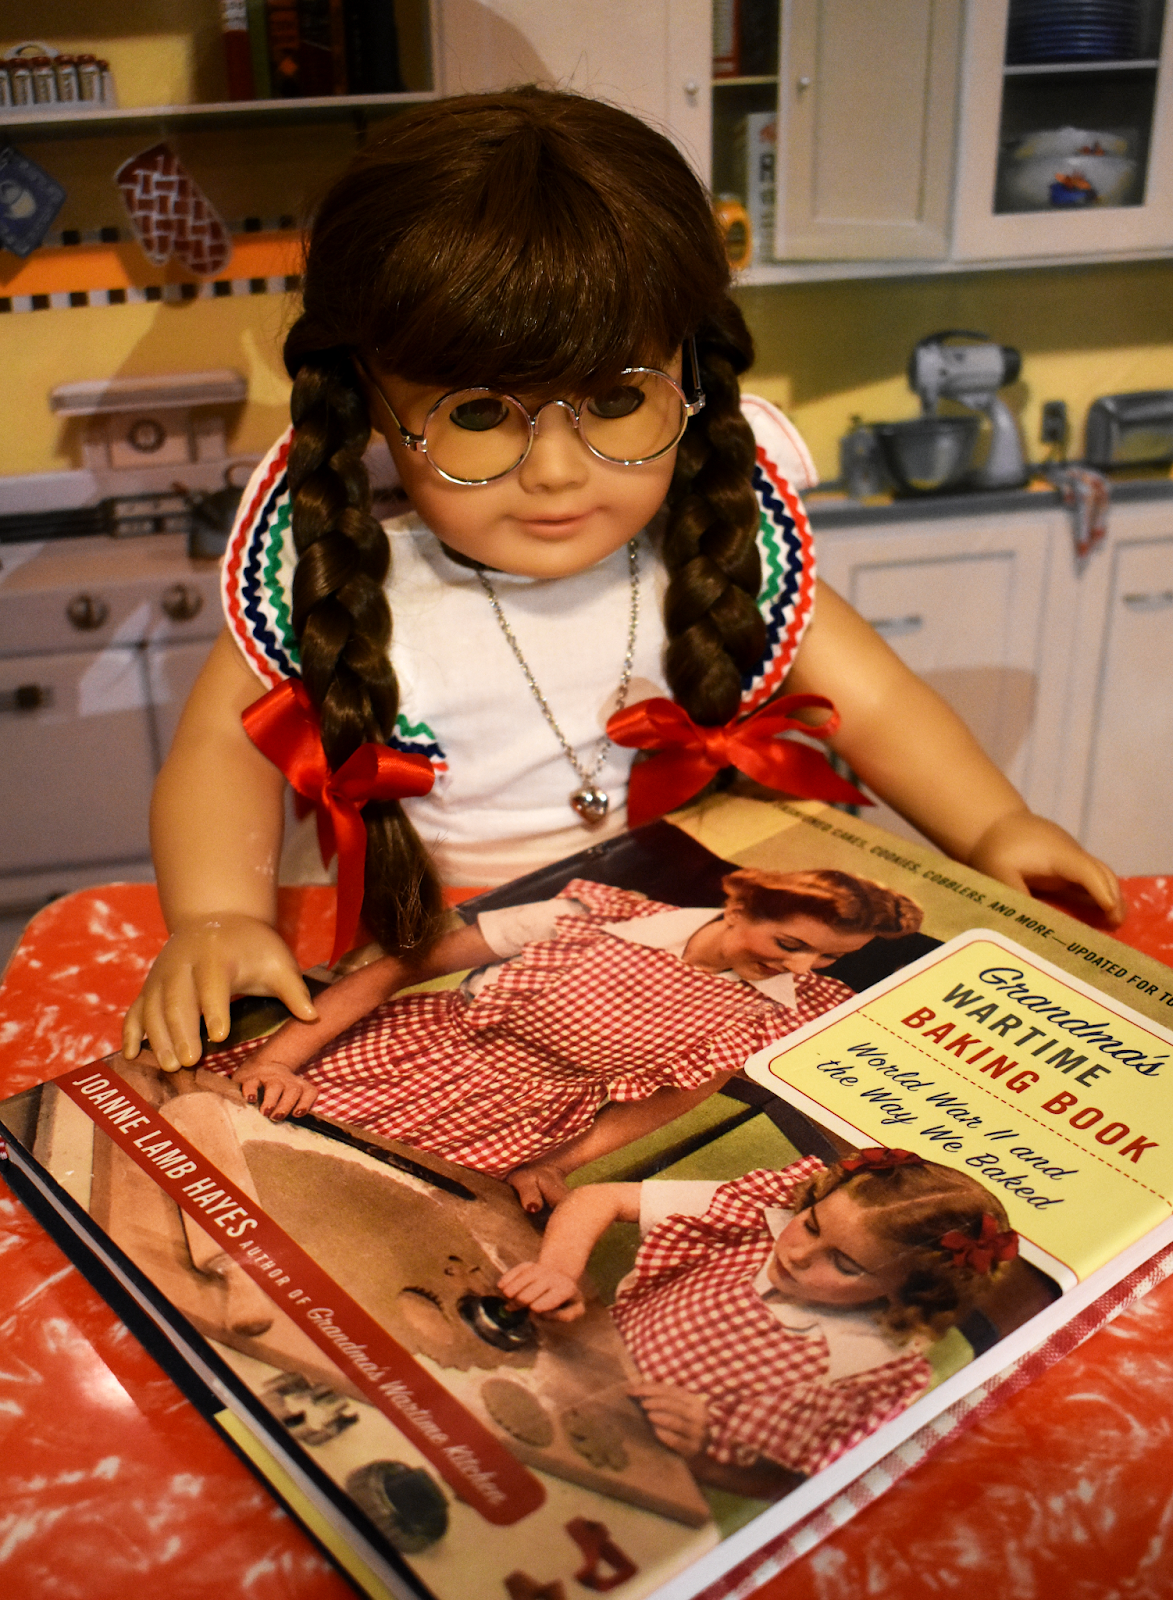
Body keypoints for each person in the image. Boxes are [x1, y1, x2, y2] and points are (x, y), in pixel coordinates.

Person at [121, 87, 1123, 1075]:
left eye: (614, 401)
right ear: (376, 408)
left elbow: (880, 701)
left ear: (688, 374)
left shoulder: (713, 549)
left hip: (685, 958)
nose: (556, 472)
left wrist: (993, 824)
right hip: (456, 972)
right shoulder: (346, 586)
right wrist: (215, 913)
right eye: (479, 416)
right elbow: (222, 751)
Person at [211, 869, 921, 1208]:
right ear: (739, 903)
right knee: (232, 1164)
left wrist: (554, 1165)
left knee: (344, 1217)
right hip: (398, 1059)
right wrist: (280, 1060)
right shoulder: (588, 916)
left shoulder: (773, 1010)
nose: (800, 967)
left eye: (825, 959)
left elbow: (661, 1106)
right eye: (790, 942)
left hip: (508, 1129)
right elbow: (401, 966)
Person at [498, 1148, 1019, 1492]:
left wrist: (704, 1455)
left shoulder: (875, 1368)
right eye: (811, 1225)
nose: (798, 1254)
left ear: (909, 1291)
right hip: (560, 1364)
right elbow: (599, 1197)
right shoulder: (758, 1218)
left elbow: (789, 1486)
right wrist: (559, 1271)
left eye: (844, 1264)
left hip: (627, 1470)